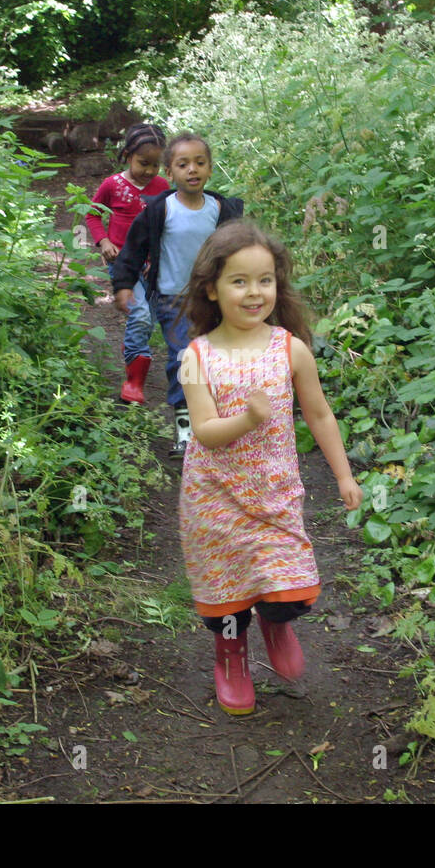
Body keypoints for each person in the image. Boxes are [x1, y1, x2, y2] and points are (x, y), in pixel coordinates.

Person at [176, 220, 363, 715]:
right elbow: (205, 431)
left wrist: (343, 474)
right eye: (239, 281)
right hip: (214, 495)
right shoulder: (196, 356)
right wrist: (249, 417)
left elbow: (319, 413)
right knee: (227, 590)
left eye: (265, 280)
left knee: (289, 588)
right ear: (212, 289)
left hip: (274, 491)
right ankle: (231, 658)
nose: (254, 292)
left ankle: (275, 623)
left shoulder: (290, 348)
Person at [111, 132, 243, 457]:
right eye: (183, 164)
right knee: (184, 358)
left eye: (200, 163)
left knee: (216, 358)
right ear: (169, 173)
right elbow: (133, 247)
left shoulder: (220, 209)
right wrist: (124, 284)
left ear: (210, 169)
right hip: (172, 298)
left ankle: (223, 422)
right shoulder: (160, 210)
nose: (192, 170)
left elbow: (239, 250)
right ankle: (186, 427)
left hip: (214, 299)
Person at [84, 123, 170, 403]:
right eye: (143, 163)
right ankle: (134, 383)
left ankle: (132, 347)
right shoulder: (112, 185)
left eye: (155, 165)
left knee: (148, 317)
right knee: (141, 313)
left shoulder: (162, 187)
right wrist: (104, 242)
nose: (148, 171)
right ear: (128, 154)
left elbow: (165, 224)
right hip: (122, 261)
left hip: (152, 265)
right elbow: (92, 215)